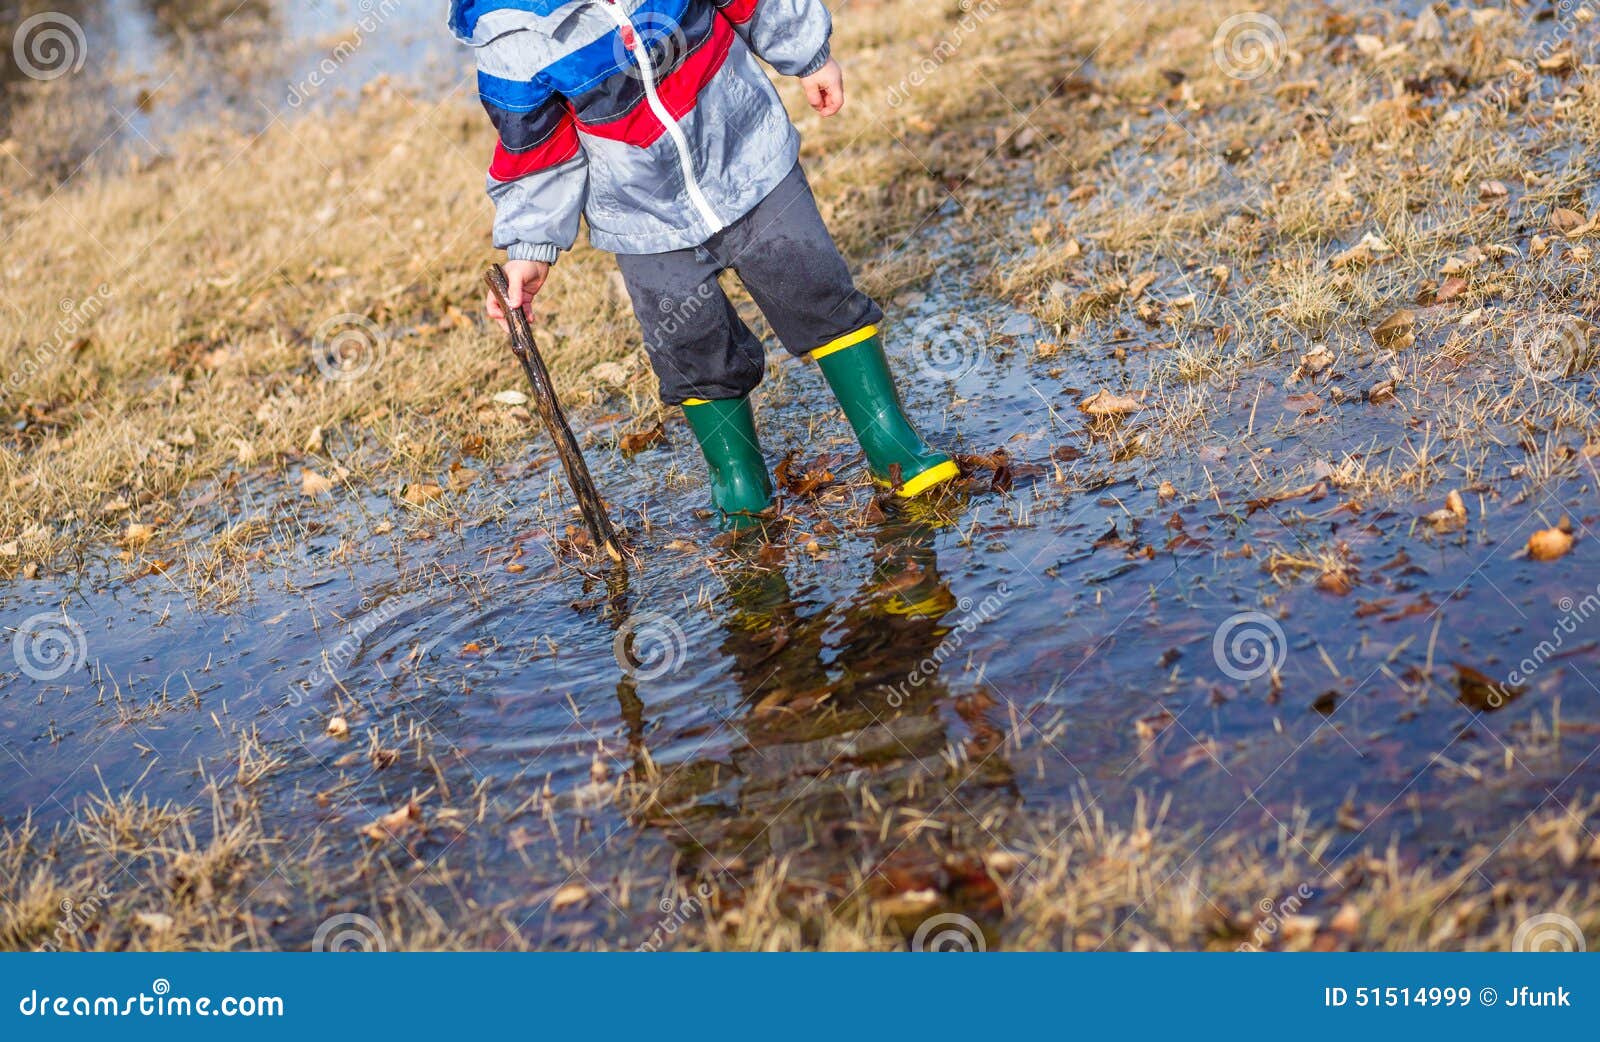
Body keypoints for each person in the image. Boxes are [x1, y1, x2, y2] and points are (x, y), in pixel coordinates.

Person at [450, 0, 959, 523]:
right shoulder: (507, 27)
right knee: (689, 342)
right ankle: (738, 481)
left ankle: (888, 437)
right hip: (642, 216)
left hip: (746, 157)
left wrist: (808, 55)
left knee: (815, 288)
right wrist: (530, 247)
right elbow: (533, 145)